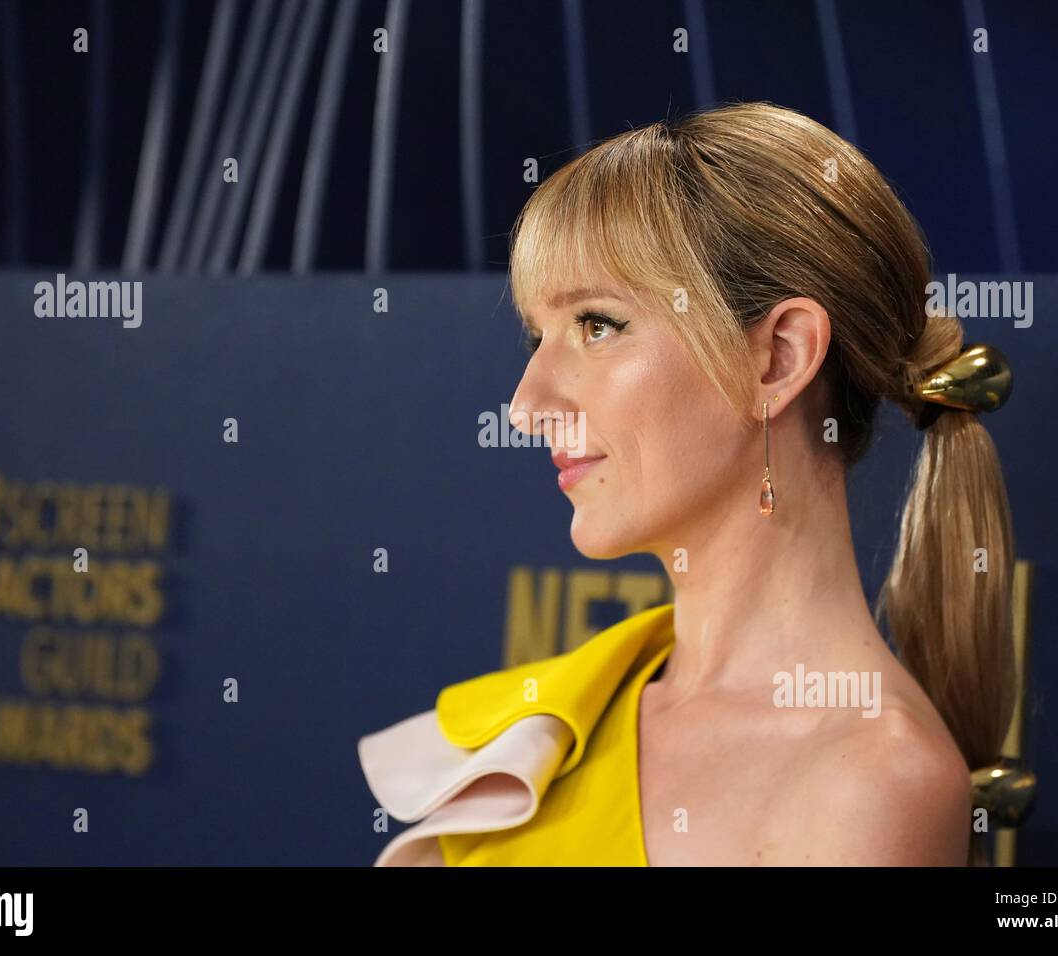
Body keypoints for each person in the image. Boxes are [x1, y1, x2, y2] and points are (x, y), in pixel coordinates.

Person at [358, 101, 1015, 866]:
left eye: (597, 325)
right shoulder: (556, 718)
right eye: (541, 337)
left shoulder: (869, 782)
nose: (526, 406)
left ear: (777, 358)